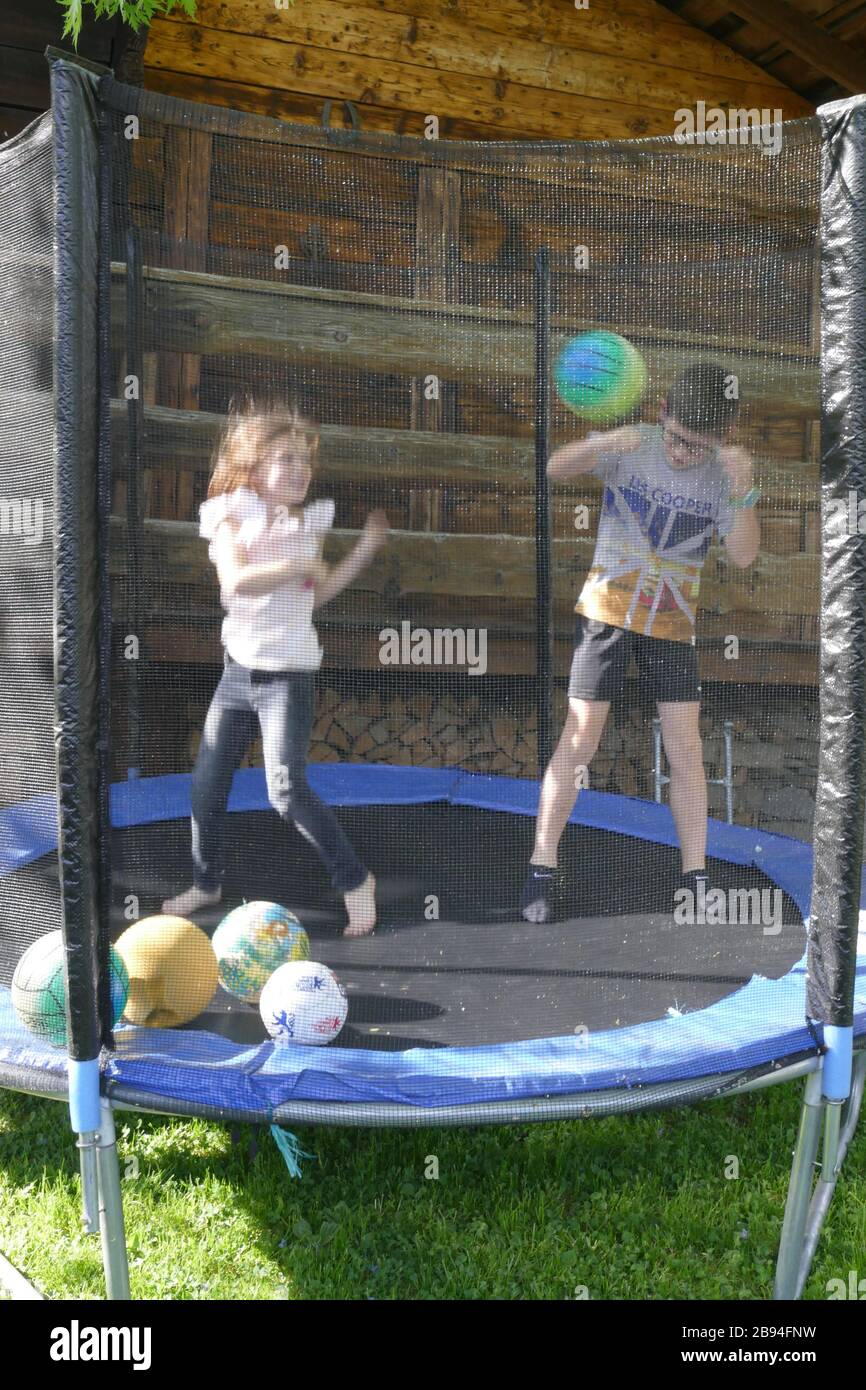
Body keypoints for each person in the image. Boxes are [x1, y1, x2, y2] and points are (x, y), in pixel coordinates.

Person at [521, 362, 760, 922]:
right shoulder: (635, 445)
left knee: (685, 747)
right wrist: (603, 441)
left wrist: (745, 490)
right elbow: (555, 469)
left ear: (721, 440)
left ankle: (696, 877)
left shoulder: (726, 473)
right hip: (607, 611)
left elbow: (746, 554)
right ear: (661, 416)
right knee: (578, 741)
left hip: (671, 624)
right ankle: (541, 867)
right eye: (675, 438)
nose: (681, 453)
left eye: (695, 446)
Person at [162, 400, 387, 937]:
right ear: (254, 468)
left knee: (285, 789)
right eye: (284, 459)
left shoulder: (303, 525)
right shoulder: (229, 518)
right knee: (207, 783)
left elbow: (314, 594)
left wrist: (361, 553)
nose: (299, 469)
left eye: (304, 460)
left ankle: (356, 882)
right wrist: (298, 564)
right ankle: (206, 880)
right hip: (238, 673)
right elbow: (235, 583)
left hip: (288, 676)